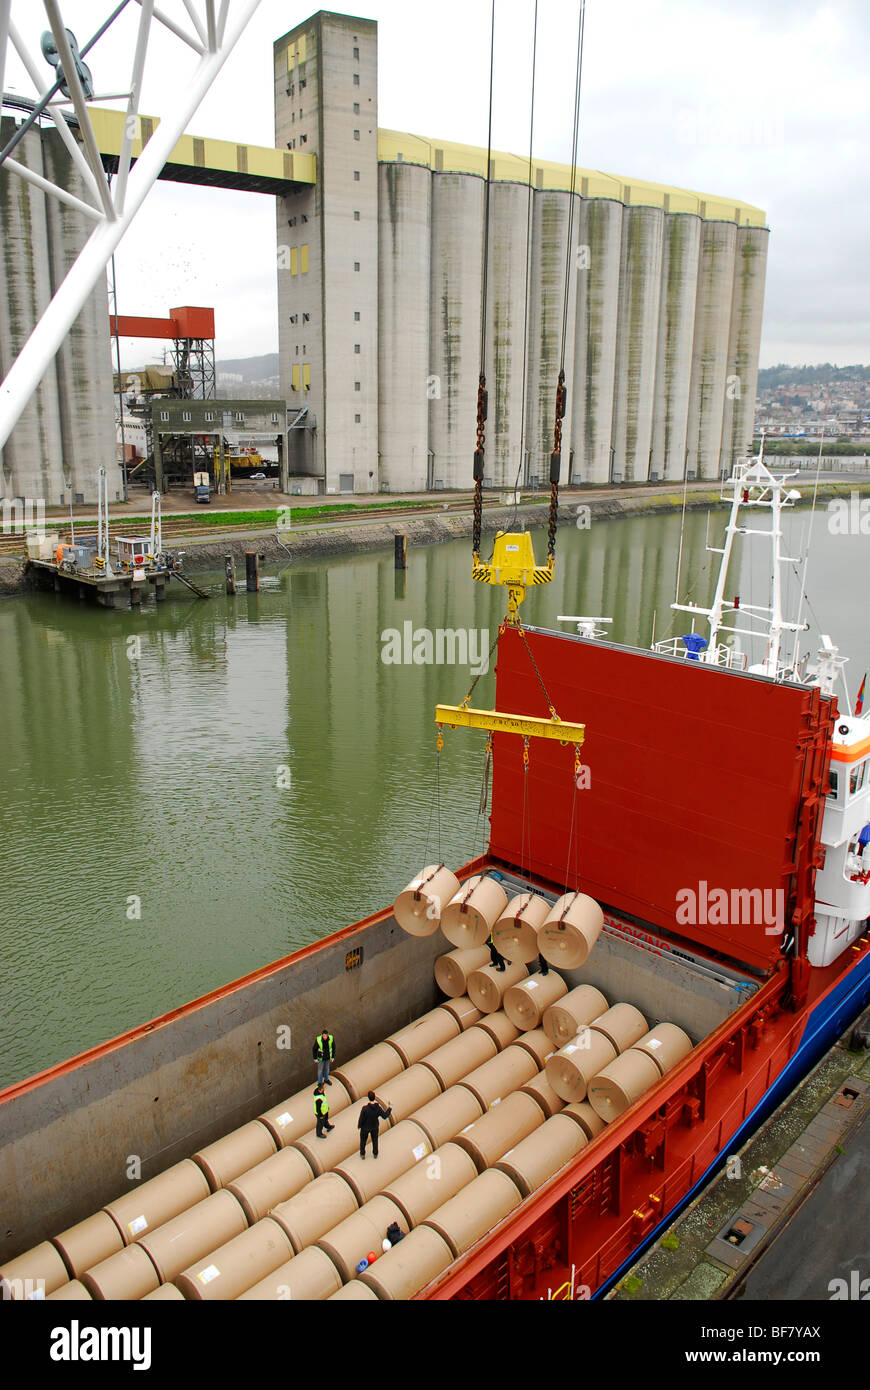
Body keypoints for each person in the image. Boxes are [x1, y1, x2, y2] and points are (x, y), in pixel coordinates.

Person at [358, 1090, 391, 1159]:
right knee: (375, 1140)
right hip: (374, 1127)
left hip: (365, 1127)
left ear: (368, 1098)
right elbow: (385, 1116)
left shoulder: (365, 1108)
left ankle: (362, 1154)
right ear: (374, 1098)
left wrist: (359, 1125)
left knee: (363, 1141)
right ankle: (375, 1153)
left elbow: (361, 1118)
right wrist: (389, 1108)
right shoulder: (378, 1108)